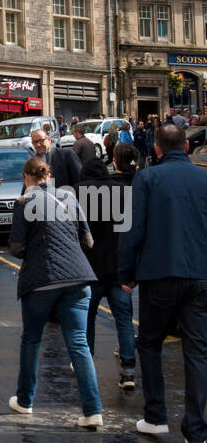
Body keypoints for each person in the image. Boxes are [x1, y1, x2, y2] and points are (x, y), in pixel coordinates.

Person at [118, 122, 207, 443]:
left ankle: (156, 417)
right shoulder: (204, 178)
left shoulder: (147, 178)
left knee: (150, 342)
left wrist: (126, 275)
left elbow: (133, 229)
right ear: (185, 147)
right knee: (198, 350)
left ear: (155, 148)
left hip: (158, 276)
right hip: (200, 276)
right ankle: (196, 432)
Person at [8, 157, 103, 427]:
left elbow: (16, 246)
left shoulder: (25, 202)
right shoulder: (69, 197)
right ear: (48, 175)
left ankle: (25, 401)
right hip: (78, 277)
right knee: (79, 344)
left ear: (27, 177)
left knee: (32, 340)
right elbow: (88, 239)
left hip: (41, 281)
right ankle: (93, 410)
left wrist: (37, 253)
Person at [79, 152, 137, 390]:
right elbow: (132, 232)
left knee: (87, 318)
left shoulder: (77, 193)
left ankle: (87, 361)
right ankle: (129, 371)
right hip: (118, 269)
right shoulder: (123, 192)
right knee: (123, 320)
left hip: (89, 269)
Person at [29, 127, 81, 192]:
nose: (38, 144)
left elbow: (79, 180)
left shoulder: (66, 155)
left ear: (49, 139)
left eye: (41, 140)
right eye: (34, 142)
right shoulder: (33, 162)